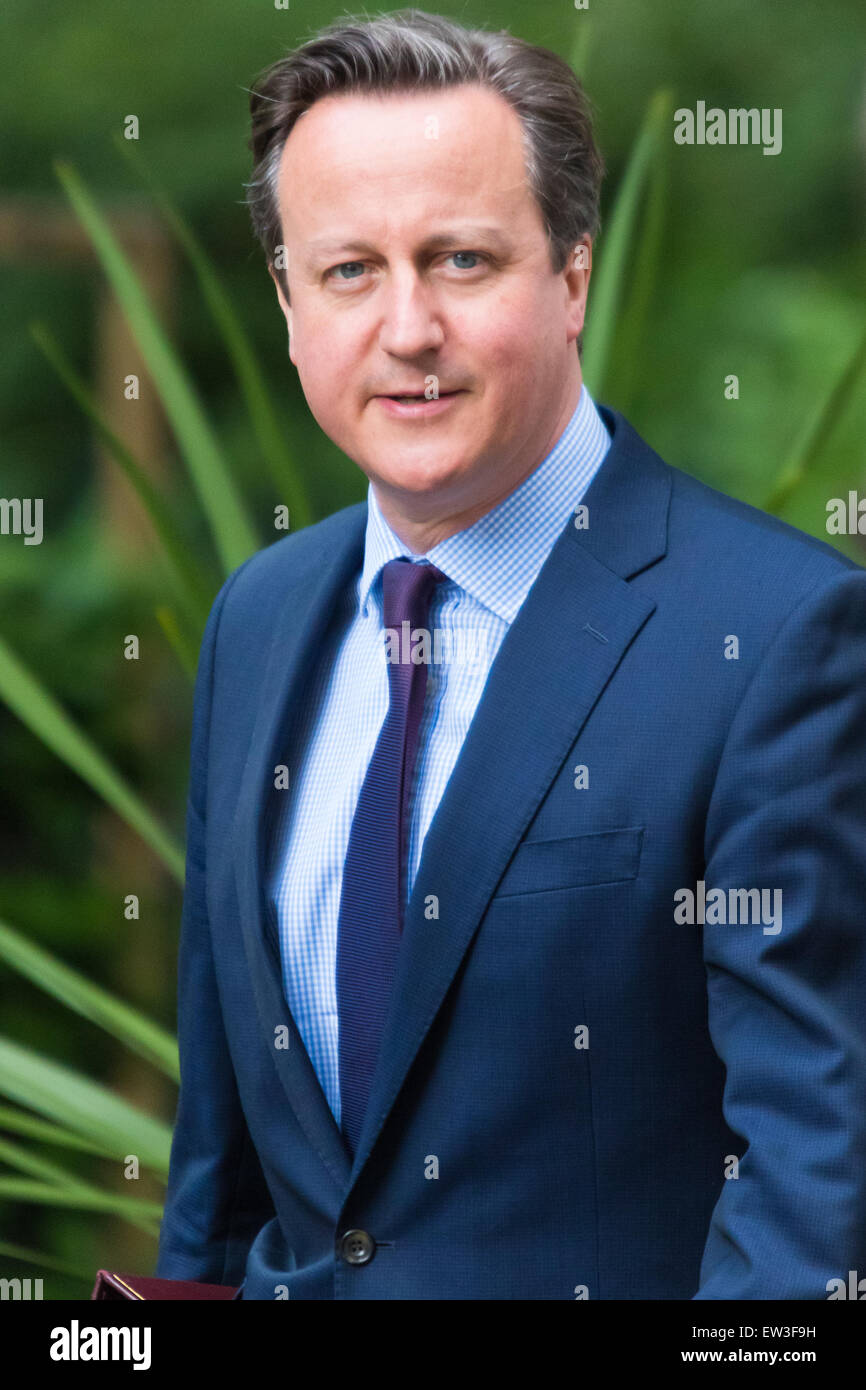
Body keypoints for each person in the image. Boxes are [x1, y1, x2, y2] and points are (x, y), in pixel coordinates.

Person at [155, 9, 866, 1299]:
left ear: (573, 272)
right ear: (288, 300)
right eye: (350, 271)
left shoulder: (780, 640)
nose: (408, 326)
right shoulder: (257, 621)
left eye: (462, 260)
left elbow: (817, 1182)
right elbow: (221, 1174)